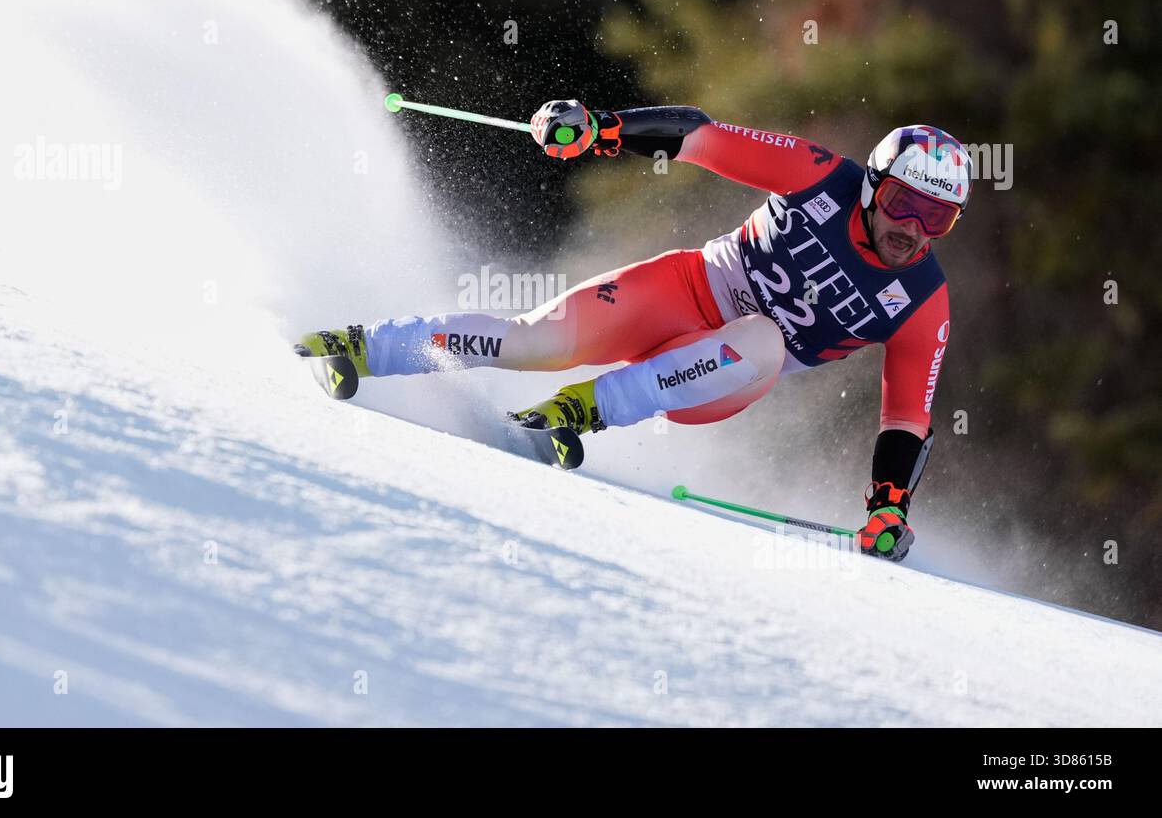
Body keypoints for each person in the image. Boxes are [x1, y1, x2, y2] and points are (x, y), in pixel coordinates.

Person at [297, 100, 973, 561]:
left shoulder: (921, 300)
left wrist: (889, 508)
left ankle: (578, 413)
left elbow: (906, 419)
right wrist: (599, 128)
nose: (911, 231)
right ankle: (364, 346)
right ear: (872, 187)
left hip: (724, 374)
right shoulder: (820, 175)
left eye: (937, 220)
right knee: (534, 342)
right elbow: (700, 137)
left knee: (766, 340)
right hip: (683, 288)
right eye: (903, 204)